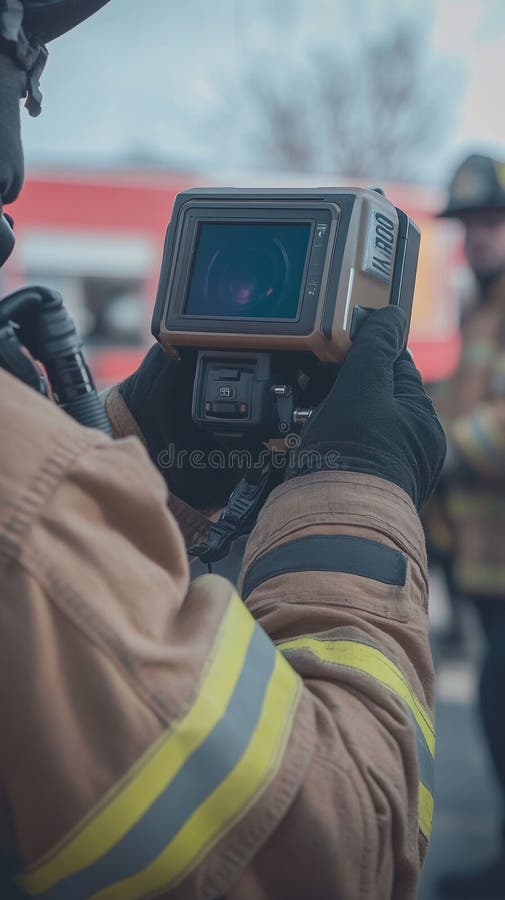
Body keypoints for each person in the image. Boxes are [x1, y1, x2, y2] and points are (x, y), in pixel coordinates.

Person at [0, 3, 446, 898]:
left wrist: (131, 451)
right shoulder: (24, 502)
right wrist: (351, 492)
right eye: (22, 62)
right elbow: (340, 838)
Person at [430, 153, 505, 900]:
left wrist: (449, 448)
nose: (476, 238)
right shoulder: (481, 307)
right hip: (484, 562)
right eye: (469, 225)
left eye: (489, 222)